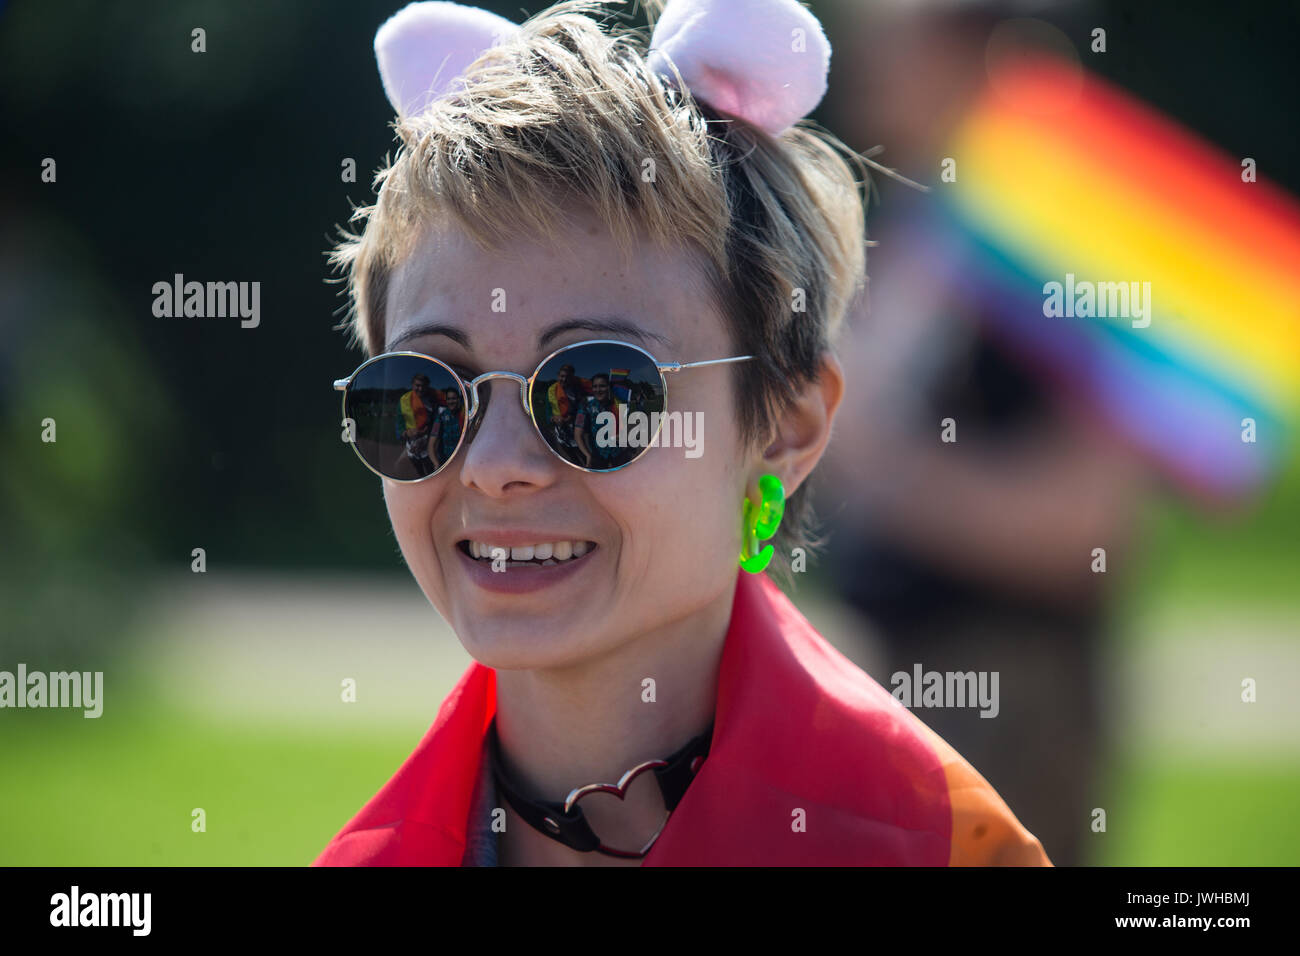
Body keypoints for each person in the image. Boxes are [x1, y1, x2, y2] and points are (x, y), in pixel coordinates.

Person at [315, 0, 1050, 866]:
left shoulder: (939, 847)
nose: (495, 466)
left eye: (596, 393)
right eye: (427, 393)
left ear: (782, 424)